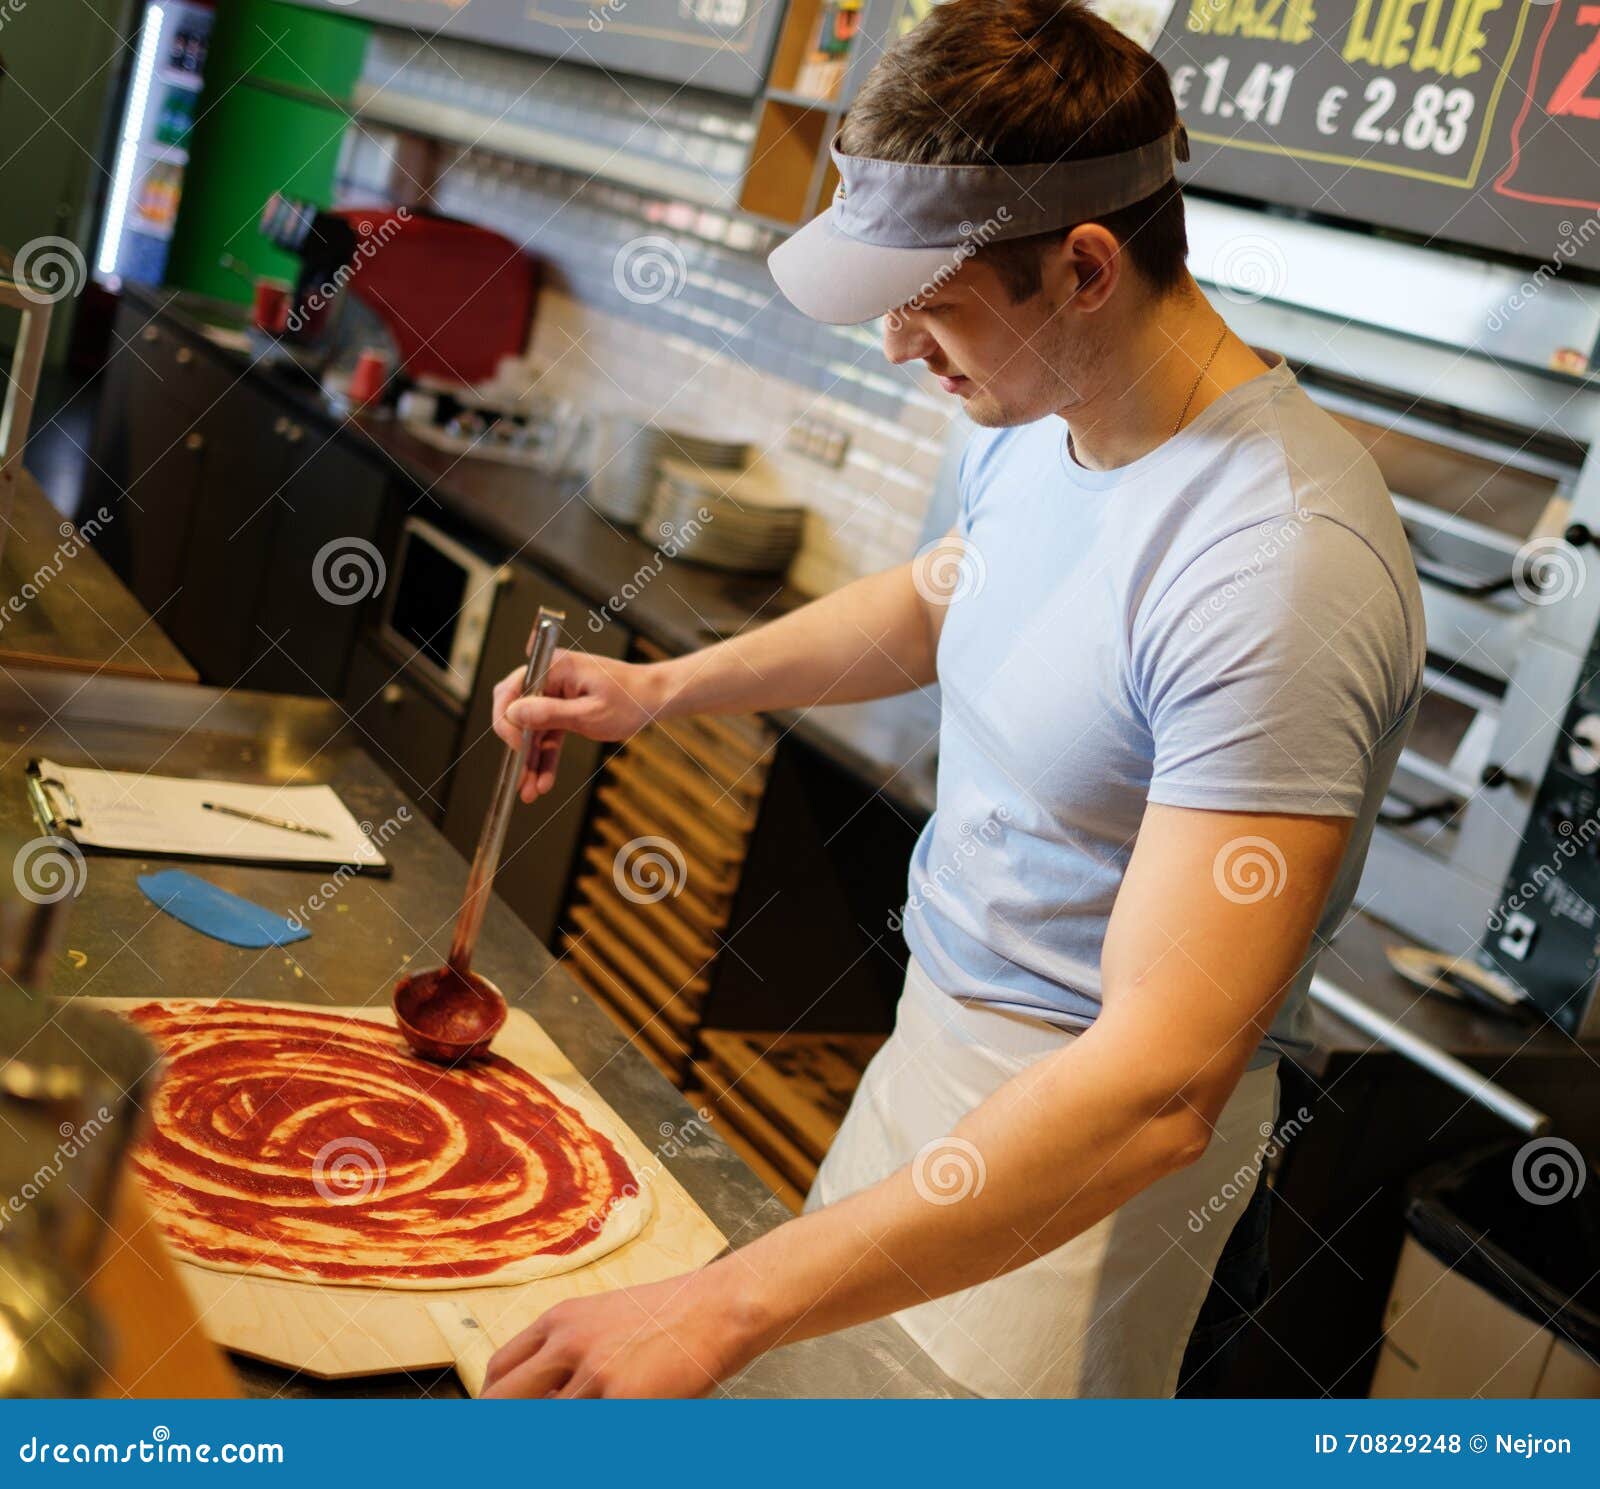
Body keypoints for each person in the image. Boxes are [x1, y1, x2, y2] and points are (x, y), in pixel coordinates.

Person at [481, 0, 1423, 1399]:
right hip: (924, 1072)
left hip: (1076, 1192)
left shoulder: (1280, 563)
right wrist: (668, 686)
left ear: (1088, 266)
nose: (896, 347)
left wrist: (726, 1300)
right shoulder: (1050, 418)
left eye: (929, 302)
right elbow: (946, 594)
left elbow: (1161, 1085)